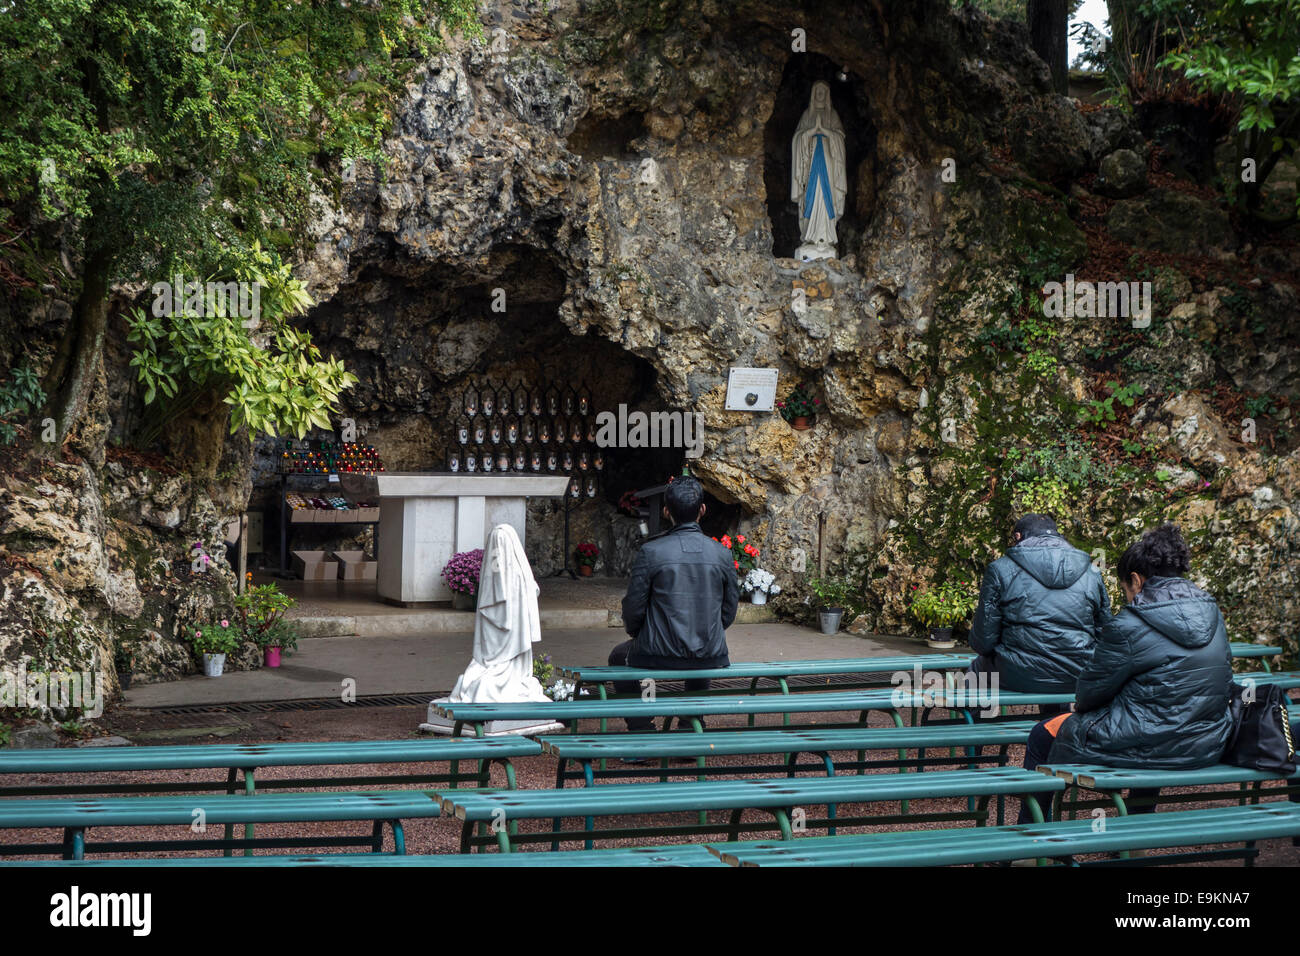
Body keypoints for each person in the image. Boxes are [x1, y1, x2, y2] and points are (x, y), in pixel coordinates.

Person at [1018, 523, 1235, 824]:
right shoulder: (1213, 614)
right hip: (1206, 741)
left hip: (1155, 743)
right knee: (1157, 725)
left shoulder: (1130, 624)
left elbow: (1089, 695)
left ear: (1135, 580)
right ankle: (1134, 837)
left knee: (1042, 735)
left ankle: (1030, 843)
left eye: (1125, 590)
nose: (1127, 598)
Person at [609, 476, 739, 733]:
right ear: (702, 510)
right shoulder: (722, 553)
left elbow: (634, 607)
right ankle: (691, 725)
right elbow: (729, 609)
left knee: (622, 657)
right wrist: (708, 629)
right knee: (700, 657)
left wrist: (640, 634)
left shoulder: (652, 552)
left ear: (666, 511)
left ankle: (643, 727)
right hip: (708, 652)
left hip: (656, 653)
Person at [968, 514, 1110, 712]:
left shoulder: (999, 569)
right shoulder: (1092, 571)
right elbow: (1105, 633)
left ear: (1018, 536)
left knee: (976, 670)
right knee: (1057, 668)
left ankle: (975, 734)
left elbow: (983, 641)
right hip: (1078, 673)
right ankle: (1051, 732)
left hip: (1019, 673)